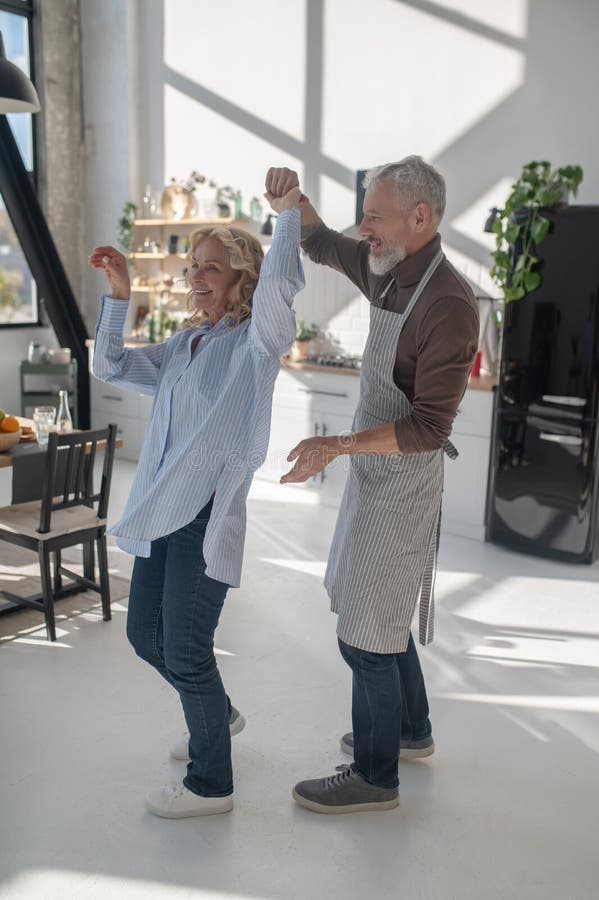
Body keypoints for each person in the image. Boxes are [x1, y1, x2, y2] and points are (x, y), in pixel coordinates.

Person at [265, 157, 479, 814]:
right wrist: (290, 199)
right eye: (366, 214)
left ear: (420, 217)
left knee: (363, 635)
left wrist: (335, 444)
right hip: (370, 476)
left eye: (375, 215)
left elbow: (425, 426)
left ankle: (374, 774)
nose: (365, 228)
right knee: (381, 617)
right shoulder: (385, 267)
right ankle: (409, 730)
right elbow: (321, 240)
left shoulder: (446, 302)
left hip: (403, 483)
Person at [88, 182, 304, 818]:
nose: (196, 275)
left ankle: (213, 785)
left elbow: (278, 296)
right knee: (141, 634)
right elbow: (109, 366)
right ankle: (219, 714)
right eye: (192, 267)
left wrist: (286, 217)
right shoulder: (183, 347)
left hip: (204, 515)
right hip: (160, 510)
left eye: (212, 265)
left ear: (243, 277)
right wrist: (119, 298)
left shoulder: (254, 347)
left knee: (185, 648)